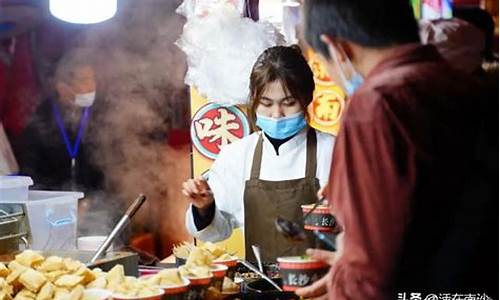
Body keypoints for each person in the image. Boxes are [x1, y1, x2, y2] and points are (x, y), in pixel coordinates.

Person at [297, 0, 496, 299]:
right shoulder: (470, 88)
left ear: (337, 48)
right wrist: (346, 268)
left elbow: (372, 276)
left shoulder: (376, 104)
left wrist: (351, 278)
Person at [182, 45, 335, 262]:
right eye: (266, 103)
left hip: (325, 289)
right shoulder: (236, 156)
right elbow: (217, 232)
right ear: (254, 99)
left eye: (288, 103)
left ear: (307, 98)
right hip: (260, 286)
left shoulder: (334, 151)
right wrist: (204, 208)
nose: (277, 114)